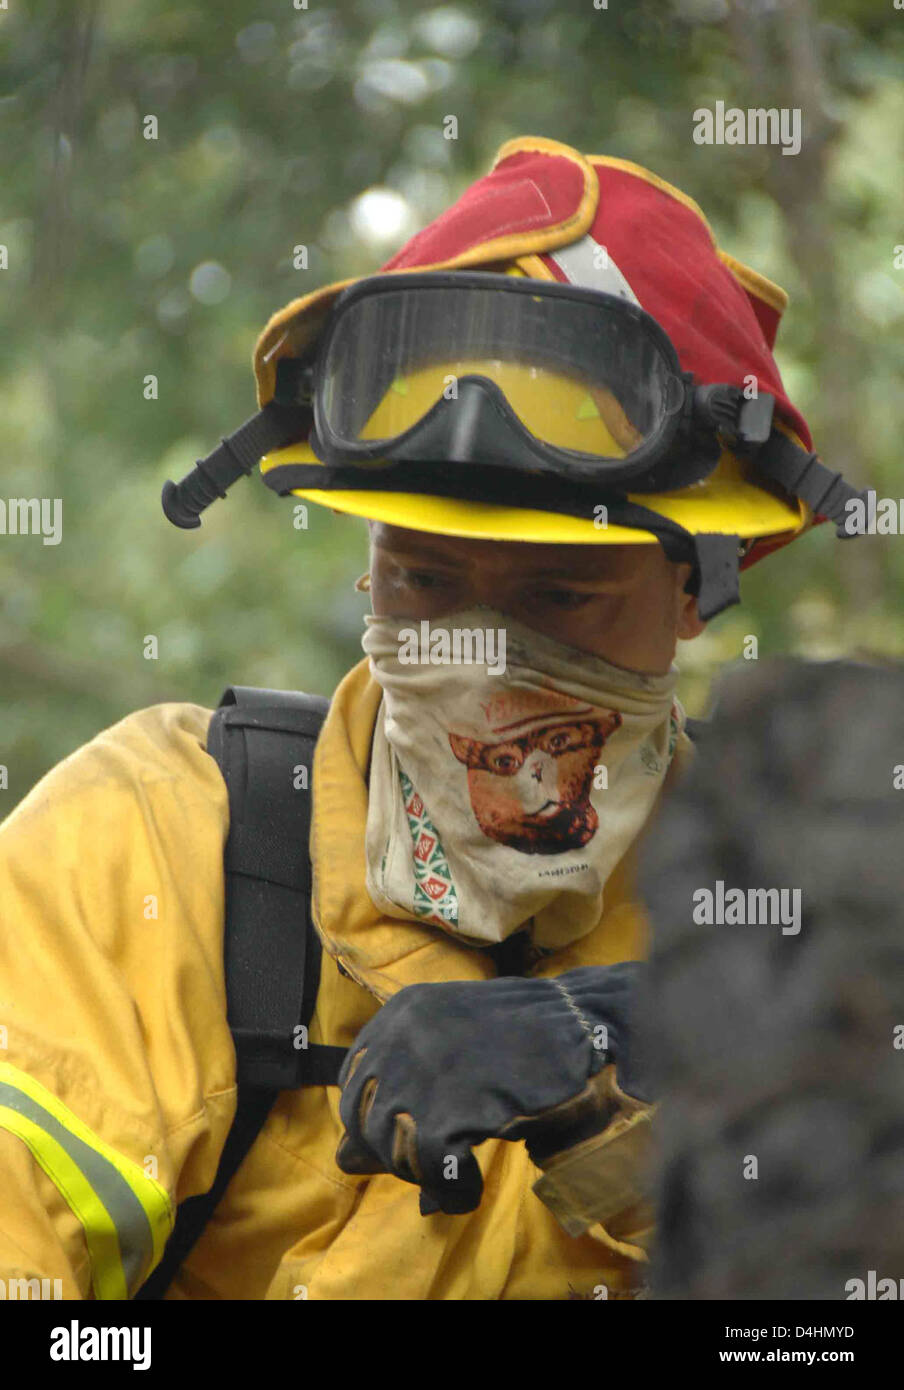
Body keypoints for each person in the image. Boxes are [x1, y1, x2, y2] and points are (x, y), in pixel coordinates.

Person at [0, 136, 865, 1301]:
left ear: (696, 587)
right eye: (422, 578)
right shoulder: (161, 844)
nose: (480, 657)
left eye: (560, 592)